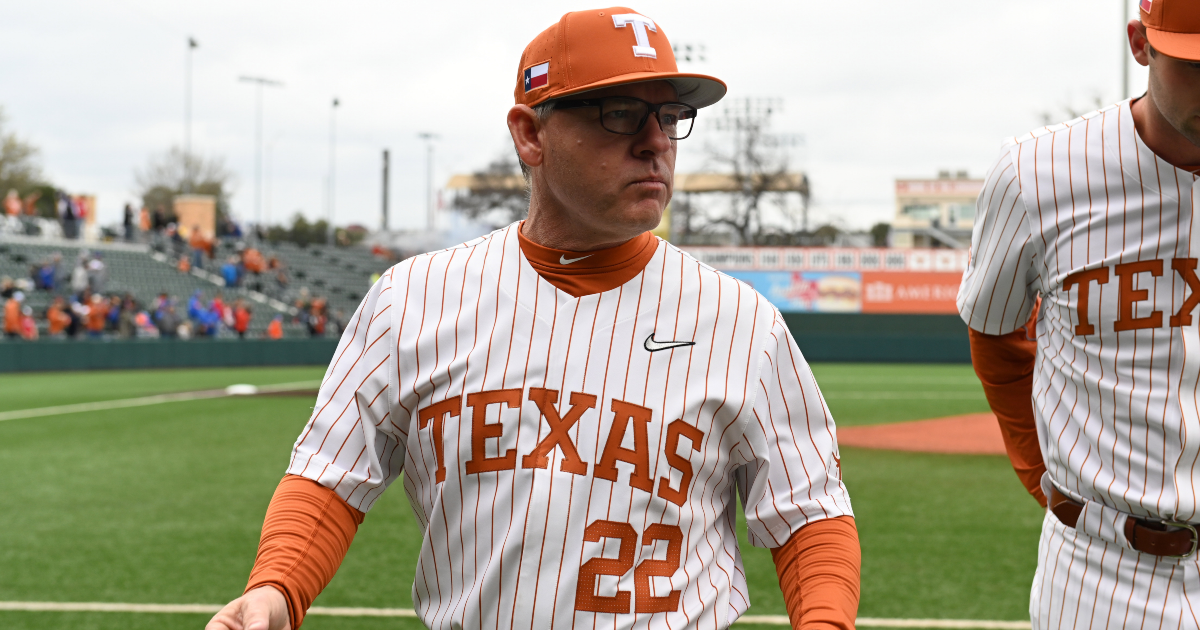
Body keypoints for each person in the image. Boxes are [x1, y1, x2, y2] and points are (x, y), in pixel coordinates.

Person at [208, 8, 859, 630]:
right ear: (530, 135)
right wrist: (277, 587)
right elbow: (329, 475)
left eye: (670, 116)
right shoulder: (412, 298)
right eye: (621, 113)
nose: (656, 142)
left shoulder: (743, 322)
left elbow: (809, 512)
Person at [958, 3, 1200, 627]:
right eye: (1197, 65)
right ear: (1141, 44)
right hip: (1101, 571)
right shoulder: (1037, 172)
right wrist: (1039, 470)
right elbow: (996, 334)